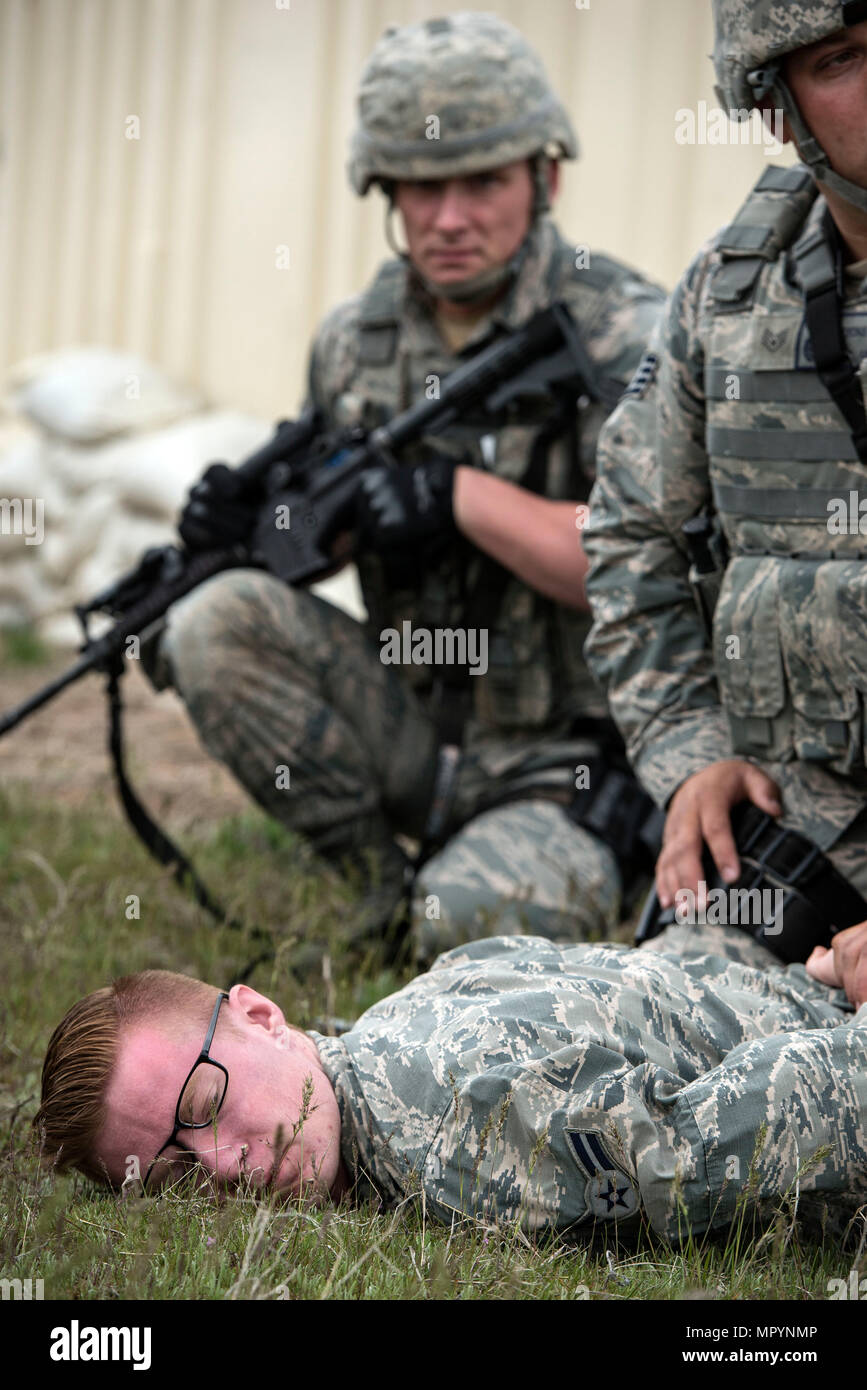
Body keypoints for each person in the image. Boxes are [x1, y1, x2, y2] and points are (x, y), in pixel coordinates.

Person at [148, 12, 665, 966]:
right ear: (384, 189)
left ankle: (532, 878)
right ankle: (367, 880)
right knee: (211, 620)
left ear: (543, 179)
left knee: (456, 928)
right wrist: (255, 531)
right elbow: (326, 538)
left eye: (482, 182)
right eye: (420, 187)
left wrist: (460, 498)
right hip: (416, 726)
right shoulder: (357, 343)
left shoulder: (626, 335)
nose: (449, 218)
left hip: (566, 758)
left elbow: (656, 566)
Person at [583, 0, 867, 1002]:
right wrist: (695, 755)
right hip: (798, 841)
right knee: (632, 1042)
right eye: (843, 59)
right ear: (775, 104)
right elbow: (632, 537)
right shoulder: (731, 295)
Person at [34, 925, 867, 1241]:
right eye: (176, 1172)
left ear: (258, 1014)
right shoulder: (412, 1001)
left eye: (206, 1105)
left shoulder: (440, 1136)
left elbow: (713, 1151)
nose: (224, 1166)